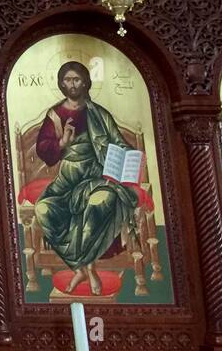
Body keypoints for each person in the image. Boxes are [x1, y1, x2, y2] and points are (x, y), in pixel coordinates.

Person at [32, 61, 141, 297]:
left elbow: (118, 142)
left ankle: (88, 269)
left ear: (86, 82)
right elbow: (43, 148)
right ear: (61, 84)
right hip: (67, 179)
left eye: (77, 79)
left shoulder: (99, 115)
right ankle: (80, 267)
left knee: (97, 204)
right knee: (43, 210)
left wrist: (127, 155)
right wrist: (62, 143)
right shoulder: (55, 115)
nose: (72, 84)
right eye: (68, 80)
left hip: (98, 175)